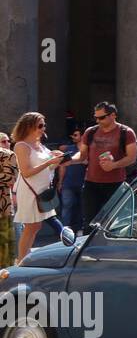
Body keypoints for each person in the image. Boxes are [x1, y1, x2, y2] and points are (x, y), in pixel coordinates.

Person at [13, 113, 74, 263]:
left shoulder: (40, 144)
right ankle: (21, 261)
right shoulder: (21, 145)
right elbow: (26, 172)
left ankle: (24, 257)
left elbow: (50, 168)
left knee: (36, 226)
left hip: (42, 190)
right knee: (30, 226)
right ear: (29, 126)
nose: (43, 128)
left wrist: (58, 160)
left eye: (44, 125)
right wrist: (49, 162)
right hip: (30, 191)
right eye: (40, 125)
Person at [79, 102, 137, 225]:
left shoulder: (126, 132)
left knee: (115, 222)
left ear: (113, 115)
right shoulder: (90, 132)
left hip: (115, 184)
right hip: (91, 184)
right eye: (96, 117)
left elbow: (132, 157)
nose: (98, 121)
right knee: (89, 223)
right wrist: (67, 160)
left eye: (101, 117)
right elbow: (82, 155)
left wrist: (114, 165)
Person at [0, 133, 16, 267]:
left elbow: (11, 178)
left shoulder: (7, 155)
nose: (7, 143)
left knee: (4, 245)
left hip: (2, 207)